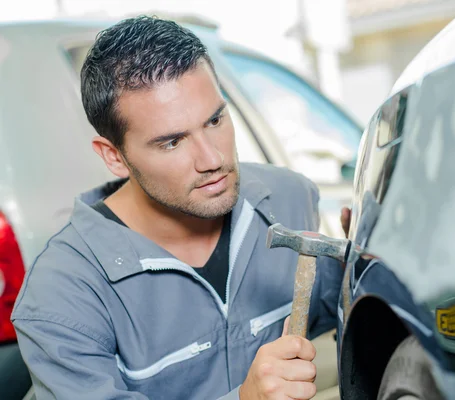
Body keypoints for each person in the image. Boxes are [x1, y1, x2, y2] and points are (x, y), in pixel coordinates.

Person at [11, 16, 349, 400]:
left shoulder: (288, 197)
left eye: (215, 120)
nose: (212, 159)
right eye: (172, 142)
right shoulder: (62, 293)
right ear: (114, 156)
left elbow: (344, 312)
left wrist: (367, 263)